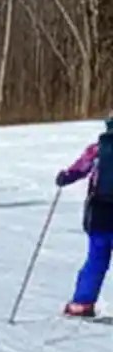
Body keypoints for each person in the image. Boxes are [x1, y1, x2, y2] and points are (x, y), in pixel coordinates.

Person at [55, 114, 113, 318]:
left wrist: (65, 177)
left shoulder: (97, 149)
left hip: (99, 213)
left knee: (96, 259)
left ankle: (82, 303)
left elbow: (80, 168)